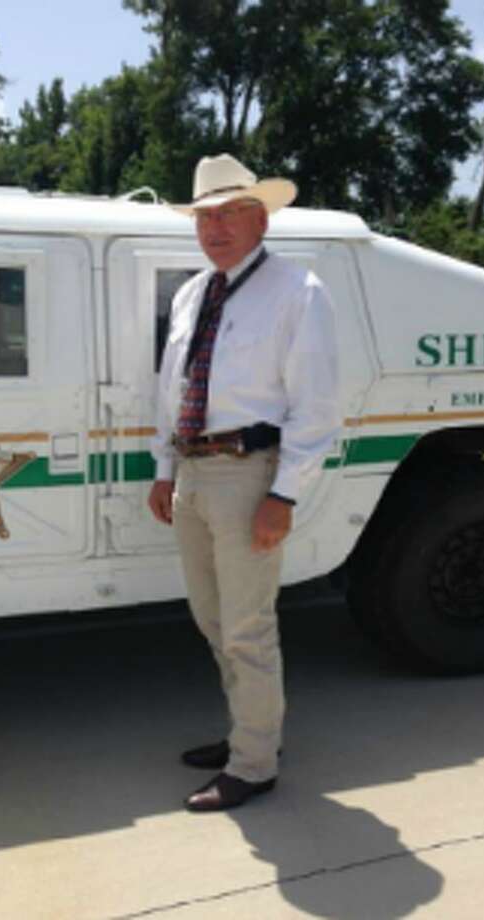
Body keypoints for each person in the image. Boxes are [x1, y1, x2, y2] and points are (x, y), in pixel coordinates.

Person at [148, 153, 340, 812]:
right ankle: (250, 733)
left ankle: (254, 763)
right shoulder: (191, 294)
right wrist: (164, 469)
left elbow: (316, 407)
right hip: (193, 473)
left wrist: (283, 495)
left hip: (248, 476)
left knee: (246, 628)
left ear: (261, 219)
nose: (216, 227)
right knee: (211, 618)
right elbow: (172, 389)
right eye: (206, 216)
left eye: (231, 213)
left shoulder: (297, 292)